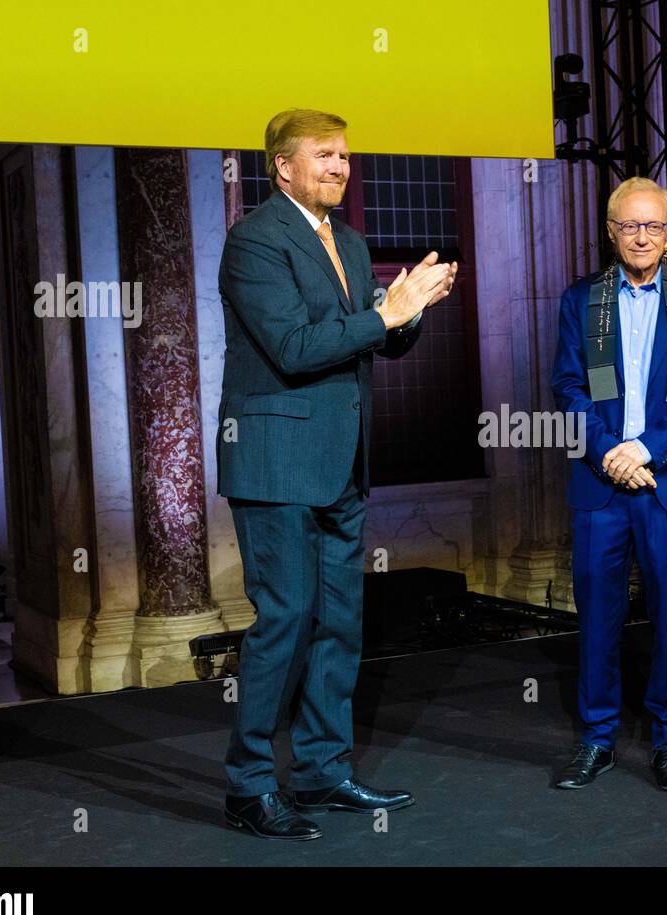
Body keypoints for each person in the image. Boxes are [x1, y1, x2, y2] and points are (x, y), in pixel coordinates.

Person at [216, 108, 456, 839]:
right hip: (277, 464)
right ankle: (248, 784)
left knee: (339, 624)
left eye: (346, 156)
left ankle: (321, 772)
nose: (340, 167)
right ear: (281, 166)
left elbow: (374, 341)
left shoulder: (347, 242)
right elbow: (292, 346)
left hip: (343, 464)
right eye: (324, 155)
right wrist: (385, 318)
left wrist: (403, 310)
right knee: (284, 619)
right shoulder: (254, 239)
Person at [550, 177, 667, 791]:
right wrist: (609, 453)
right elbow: (568, 387)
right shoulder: (582, 300)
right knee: (598, 616)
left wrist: (647, 449)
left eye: (654, 225)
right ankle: (597, 738)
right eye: (630, 225)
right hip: (601, 487)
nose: (642, 236)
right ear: (611, 231)